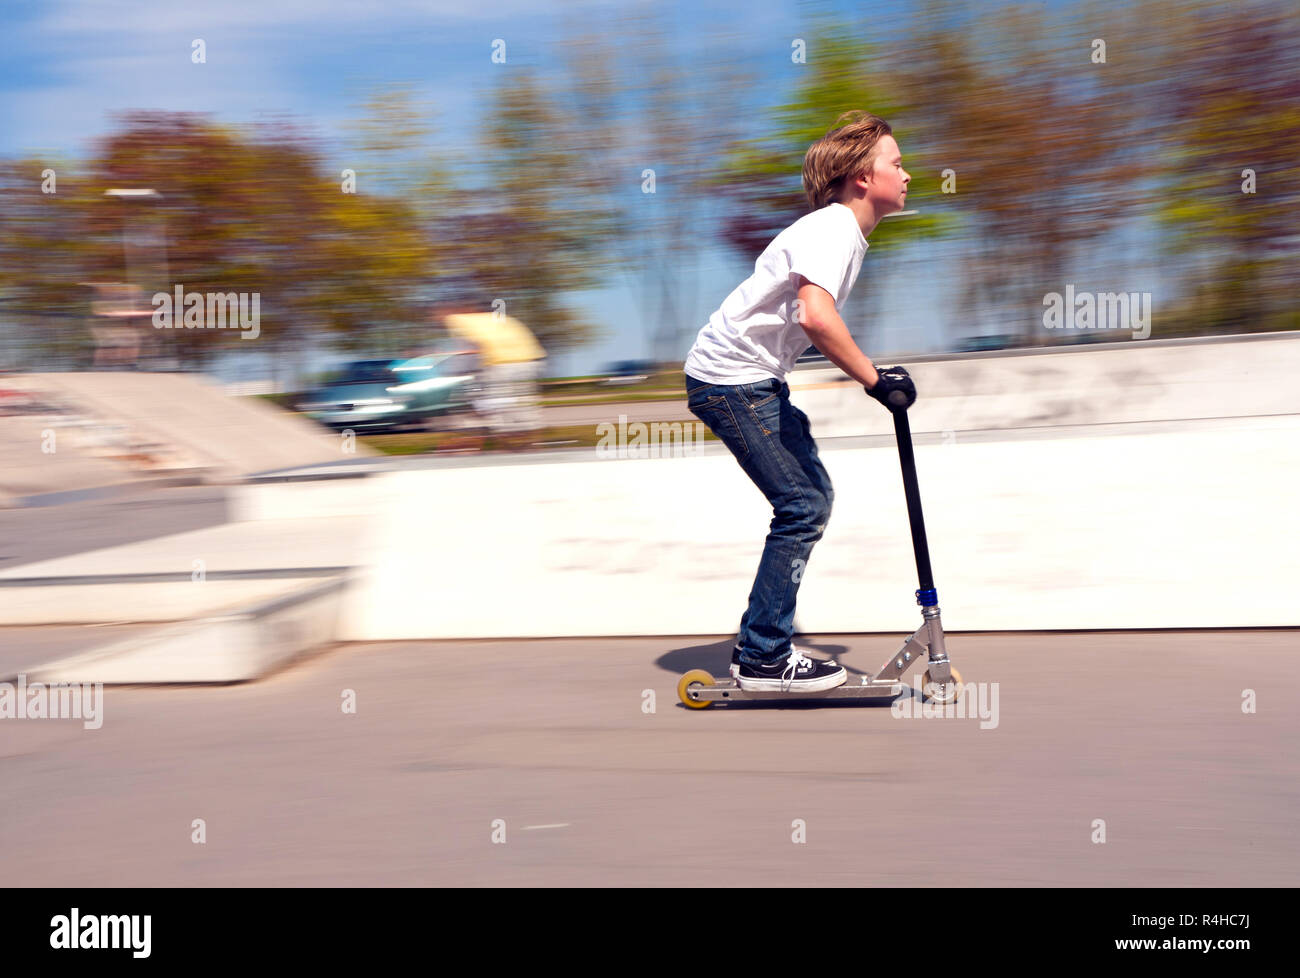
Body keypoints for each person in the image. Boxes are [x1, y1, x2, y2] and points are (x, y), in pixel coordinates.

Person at [682, 110, 918, 693]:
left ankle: (761, 646)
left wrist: (874, 372)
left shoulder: (841, 233)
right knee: (802, 505)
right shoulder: (834, 229)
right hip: (732, 379)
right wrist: (874, 381)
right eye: (896, 162)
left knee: (810, 499)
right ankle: (763, 655)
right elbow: (817, 317)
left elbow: (811, 316)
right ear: (864, 177)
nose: (908, 174)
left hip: (751, 379)